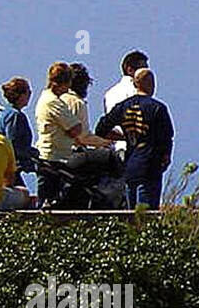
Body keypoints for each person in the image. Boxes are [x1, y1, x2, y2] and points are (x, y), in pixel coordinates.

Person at [34, 61, 115, 205]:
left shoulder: (51, 98)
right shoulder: (65, 102)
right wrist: (105, 143)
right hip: (57, 157)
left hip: (51, 155)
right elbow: (79, 133)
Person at [95, 67, 174, 209]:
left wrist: (124, 137)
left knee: (131, 213)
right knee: (147, 215)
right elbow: (166, 137)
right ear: (150, 83)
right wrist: (165, 157)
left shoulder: (123, 106)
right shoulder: (157, 108)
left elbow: (101, 129)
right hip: (151, 164)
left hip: (130, 163)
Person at [103, 50, 149, 159]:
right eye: (143, 69)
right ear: (130, 70)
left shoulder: (110, 92)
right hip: (133, 149)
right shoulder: (135, 92)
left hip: (118, 147)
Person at [0, 77, 37, 189]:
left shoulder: (6, 113)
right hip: (9, 168)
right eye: (28, 92)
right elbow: (13, 145)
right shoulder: (15, 116)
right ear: (21, 95)